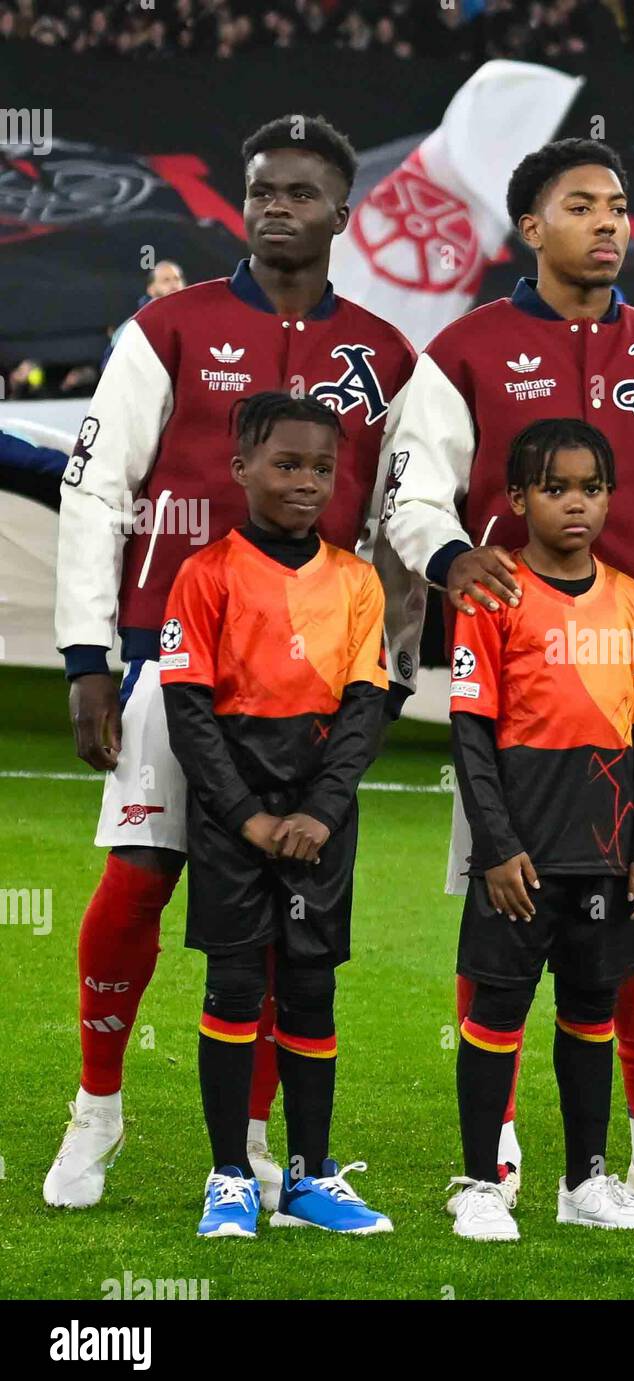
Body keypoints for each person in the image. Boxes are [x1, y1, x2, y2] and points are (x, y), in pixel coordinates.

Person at [45, 113, 421, 1212]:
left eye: (299, 193)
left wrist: (388, 667)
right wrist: (83, 655)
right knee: (137, 878)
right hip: (175, 657)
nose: (273, 207)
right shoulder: (166, 327)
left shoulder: (389, 355)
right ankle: (97, 1108)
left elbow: (402, 523)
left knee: (280, 905)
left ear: (341, 213)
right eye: (260, 190)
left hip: (312, 683)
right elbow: (95, 486)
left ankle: (254, 1144)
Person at [383, 138, 634, 1214]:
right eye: (580, 205)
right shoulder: (462, 350)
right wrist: (452, 558)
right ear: (529, 228)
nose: (608, 222)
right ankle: (491, 1162)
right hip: (516, 688)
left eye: (620, 206)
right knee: (501, 906)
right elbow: (411, 494)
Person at [160, 391, 392, 1237]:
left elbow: (365, 708)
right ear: (242, 469)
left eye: (321, 468)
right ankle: (228, 1175)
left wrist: (322, 813)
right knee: (231, 987)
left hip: (320, 824)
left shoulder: (357, 581)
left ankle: (309, 1175)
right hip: (235, 823)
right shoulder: (205, 574)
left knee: (309, 990)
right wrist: (247, 818)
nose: (305, 482)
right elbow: (189, 714)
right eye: (286, 464)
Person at [448, 418, 634, 1240]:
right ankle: (479, 1181)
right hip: (523, 856)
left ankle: (586, 1183)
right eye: (555, 488)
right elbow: (471, 735)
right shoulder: (494, 596)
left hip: (607, 857)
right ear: (517, 499)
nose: (575, 504)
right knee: (497, 1012)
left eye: (591, 488)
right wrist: (498, 847)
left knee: (591, 1011)